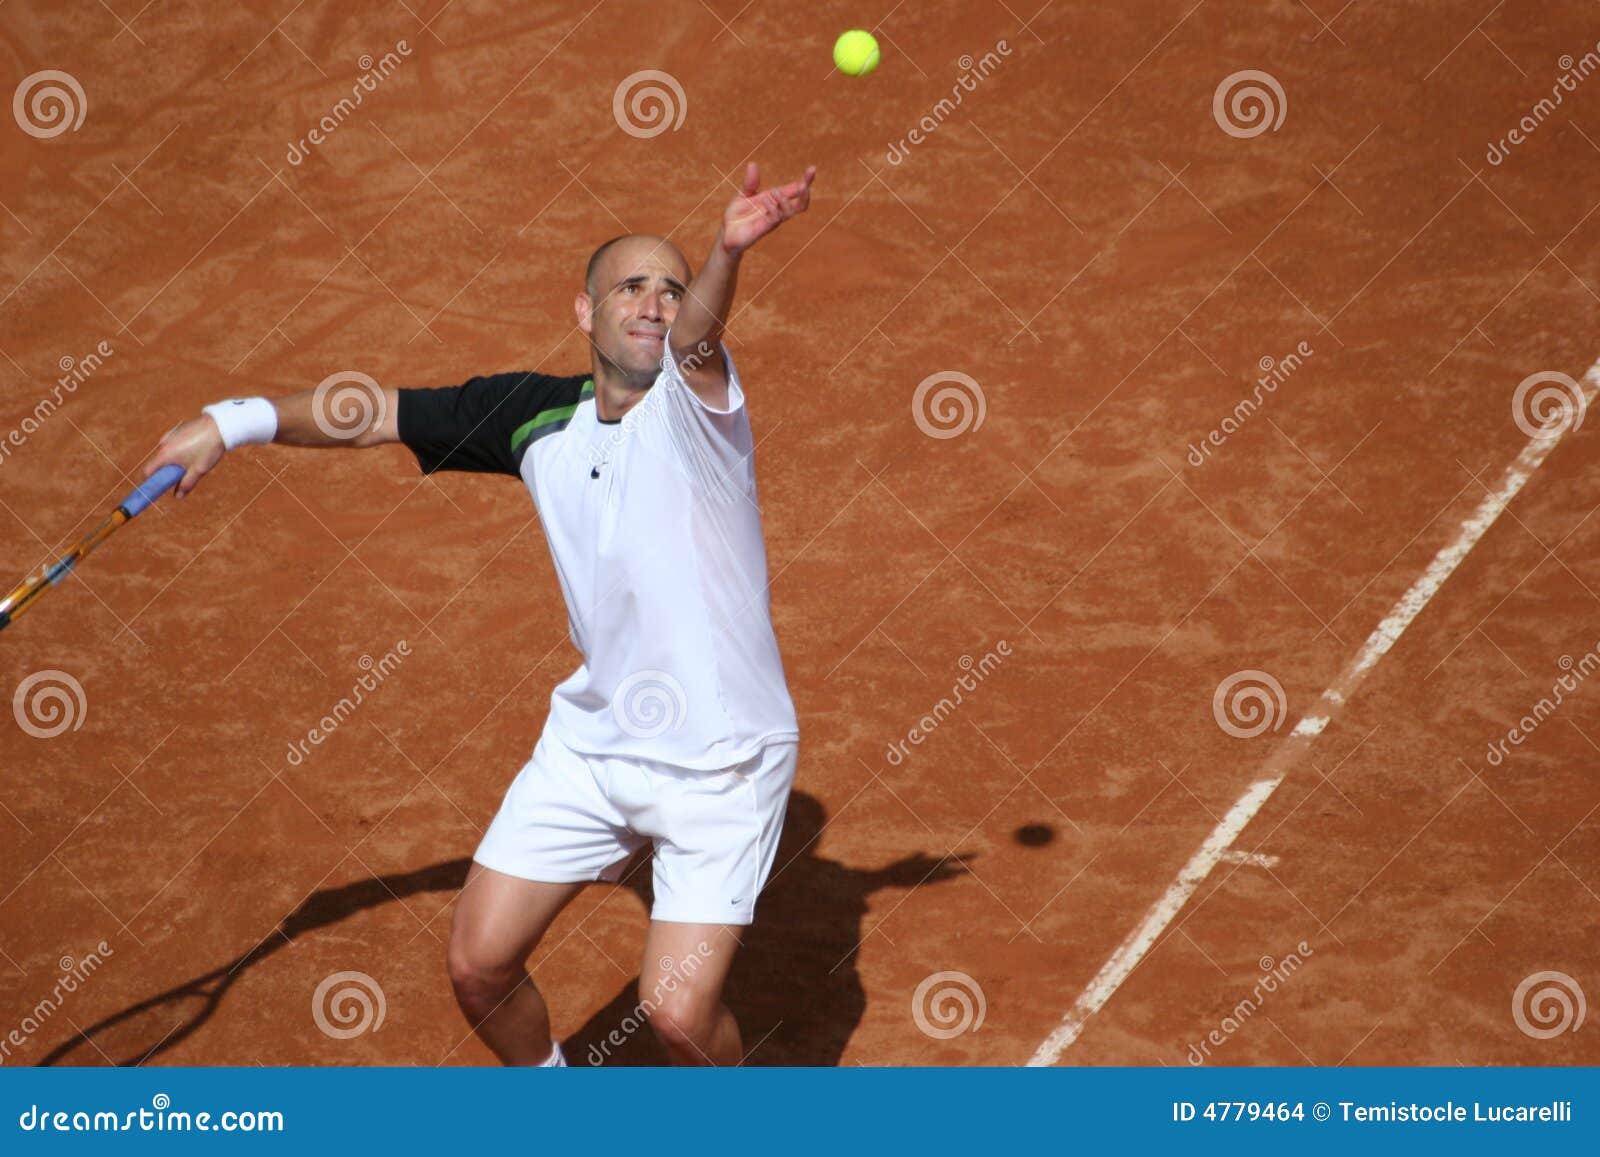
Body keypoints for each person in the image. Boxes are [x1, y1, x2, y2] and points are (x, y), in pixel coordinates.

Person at [142, 162, 818, 1067]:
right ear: (585, 313)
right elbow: (375, 412)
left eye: (672, 287)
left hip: (722, 763)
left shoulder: (698, 412)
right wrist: (233, 423)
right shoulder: (530, 415)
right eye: (630, 287)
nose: (655, 304)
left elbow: (699, 339)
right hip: (596, 741)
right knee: (478, 964)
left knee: (678, 1014)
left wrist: (726, 253)